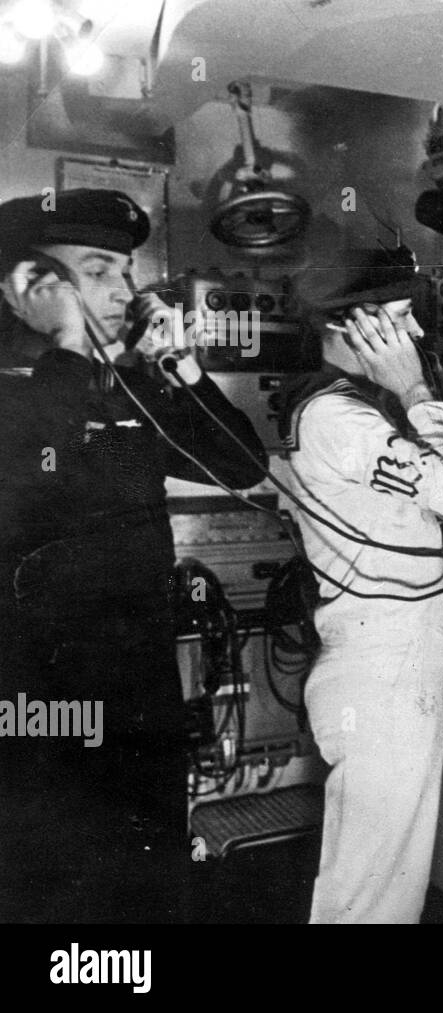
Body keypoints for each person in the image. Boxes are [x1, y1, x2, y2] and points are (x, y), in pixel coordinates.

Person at [0, 188, 268, 921]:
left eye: (126, 269)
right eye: (99, 269)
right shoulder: (24, 393)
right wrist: (63, 349)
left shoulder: (117, 386)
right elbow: (34, 478)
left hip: (138, 683)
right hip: (40, 701)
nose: (126, 289)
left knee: (142, 885)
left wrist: (178, 367)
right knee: (54, 887)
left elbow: (242, 466)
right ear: (28, 286)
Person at [283, 247, 443, 923]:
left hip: (396, 662)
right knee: (369, 898)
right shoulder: (337, 419)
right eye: (402, 319)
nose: (419, 335)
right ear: (349, 326)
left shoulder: (356, 410)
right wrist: (418, 389)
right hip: (379, 672)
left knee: (387, 892)